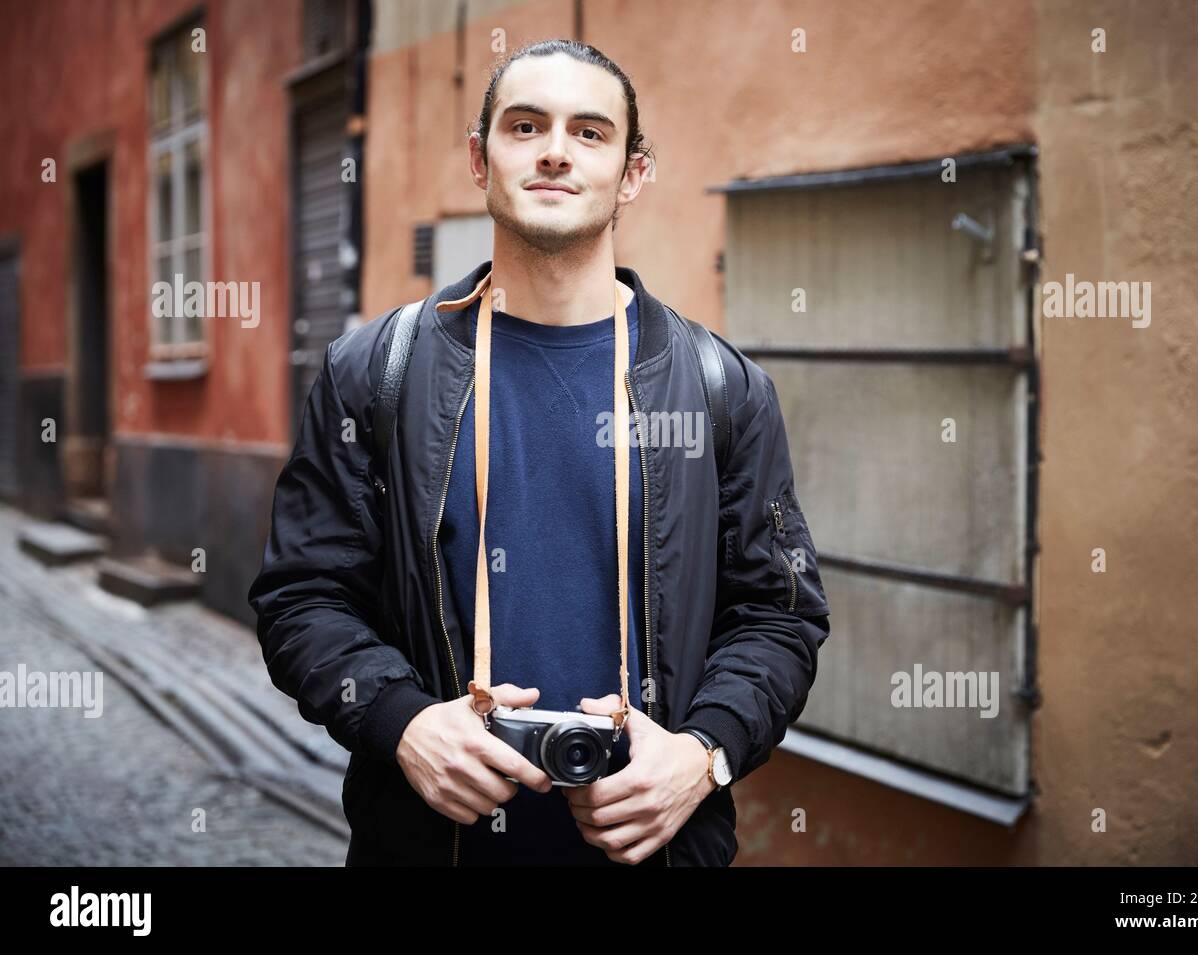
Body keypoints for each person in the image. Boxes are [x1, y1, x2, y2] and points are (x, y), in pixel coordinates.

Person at [248, 38, 830, 867]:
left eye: (590, 133)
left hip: (654, 852)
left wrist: (704, 755)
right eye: (526, 126)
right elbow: (301, 596)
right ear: (480, 161)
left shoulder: (720, 389)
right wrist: (404, 723)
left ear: (632, 173)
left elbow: (779, 615)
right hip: (431, 850)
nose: (556, 150)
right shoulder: (376, 373)